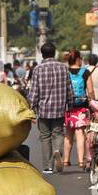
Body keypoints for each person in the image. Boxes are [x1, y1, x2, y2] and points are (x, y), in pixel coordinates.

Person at [26, 42, 73, 174]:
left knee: (45, 137)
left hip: (43, 109)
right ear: (54, 53)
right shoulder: (63, 68)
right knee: (58, 133)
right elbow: (69, 89)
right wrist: (70, 105)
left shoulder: (38, 69)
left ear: (42, 54)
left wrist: (31, 108)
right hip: (59, 108)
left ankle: (47, 166)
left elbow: (34, 92)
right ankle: (57, 150)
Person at [62, 50, 91, 169]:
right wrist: (93, 98)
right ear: (78, 59)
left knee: (68, 133)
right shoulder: (85, 72)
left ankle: (65, 160)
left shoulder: (64, 72)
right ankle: (80, 161)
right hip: (81, 106)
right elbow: (91, 91)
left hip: (68, 106)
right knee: (80, 133)